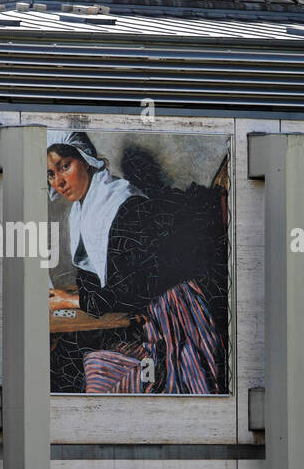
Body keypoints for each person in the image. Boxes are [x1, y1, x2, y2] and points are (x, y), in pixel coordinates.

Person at [46, 131, 224, 394]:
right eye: (51, 174)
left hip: (174, 316)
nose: (60, 182)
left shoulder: (120, 204)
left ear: (85, 160)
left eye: (64, 166)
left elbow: (126, 292)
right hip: (145, 315)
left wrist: (68, 301)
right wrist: (70, 296)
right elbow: (96, 284)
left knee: (107, 384)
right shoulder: (84, 212)